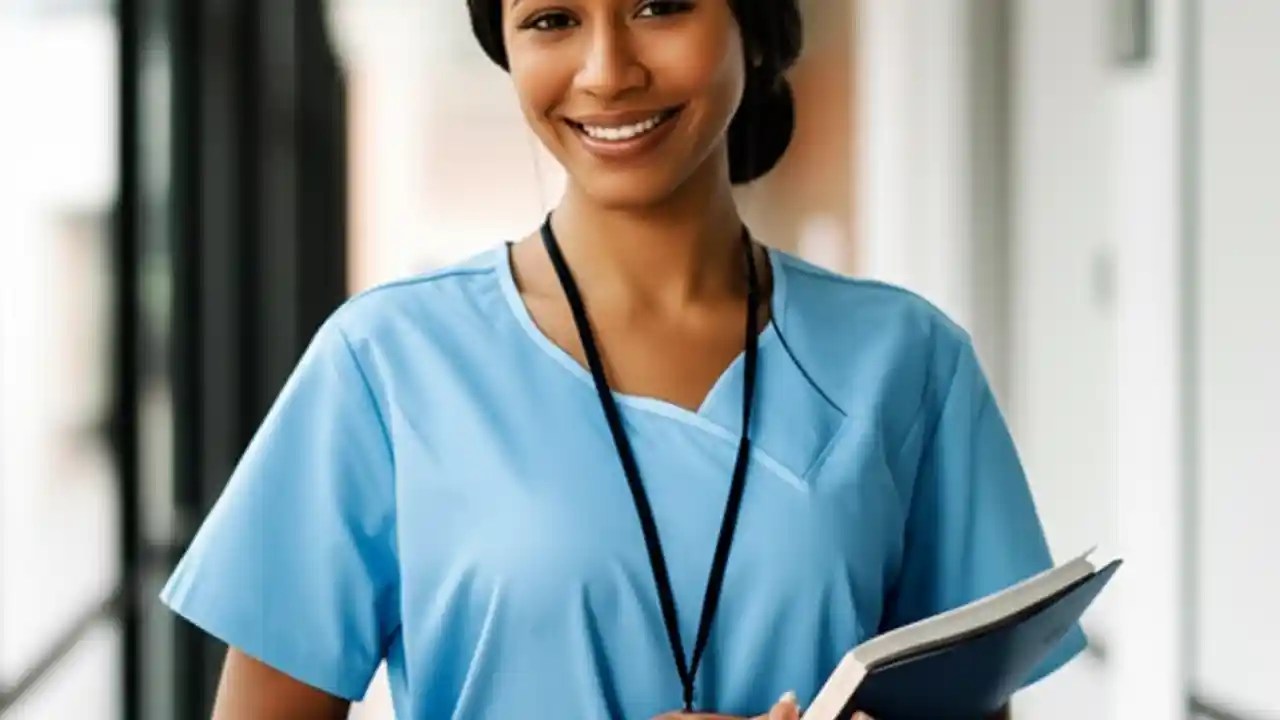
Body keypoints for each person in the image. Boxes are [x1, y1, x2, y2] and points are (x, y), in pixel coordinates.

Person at [159, 0, 1085, 718]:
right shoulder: (384, 365)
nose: (606, 72)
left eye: (660, 6)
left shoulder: (906, 361)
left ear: (754, 30)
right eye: (553, 21)